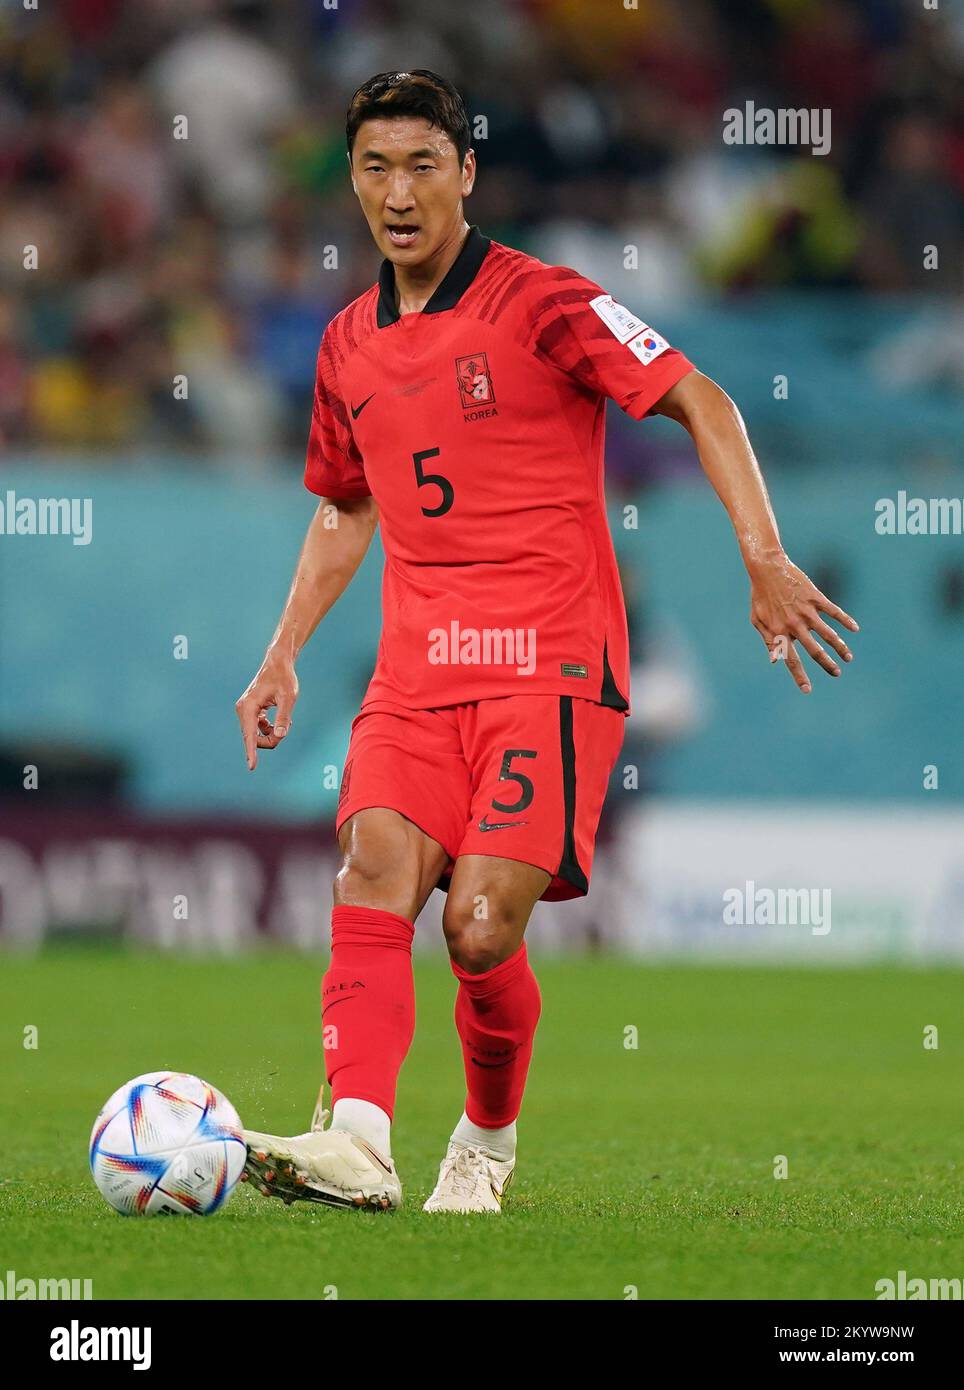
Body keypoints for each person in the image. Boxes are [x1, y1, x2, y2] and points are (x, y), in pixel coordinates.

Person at [235, 70, 858, 1214]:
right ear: (354, 185)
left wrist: (760, 557)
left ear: (466, 174)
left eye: (424, 163)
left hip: (550, 668)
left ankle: (484, 1139)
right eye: (375, 167)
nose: (399, 190)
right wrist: (281, 650)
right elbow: (345, 504)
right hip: (417, 671)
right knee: (372, 865)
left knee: (478, 930)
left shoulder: (546, 302)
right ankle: (360, 1138)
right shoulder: (343, 347)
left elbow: (701, 399)